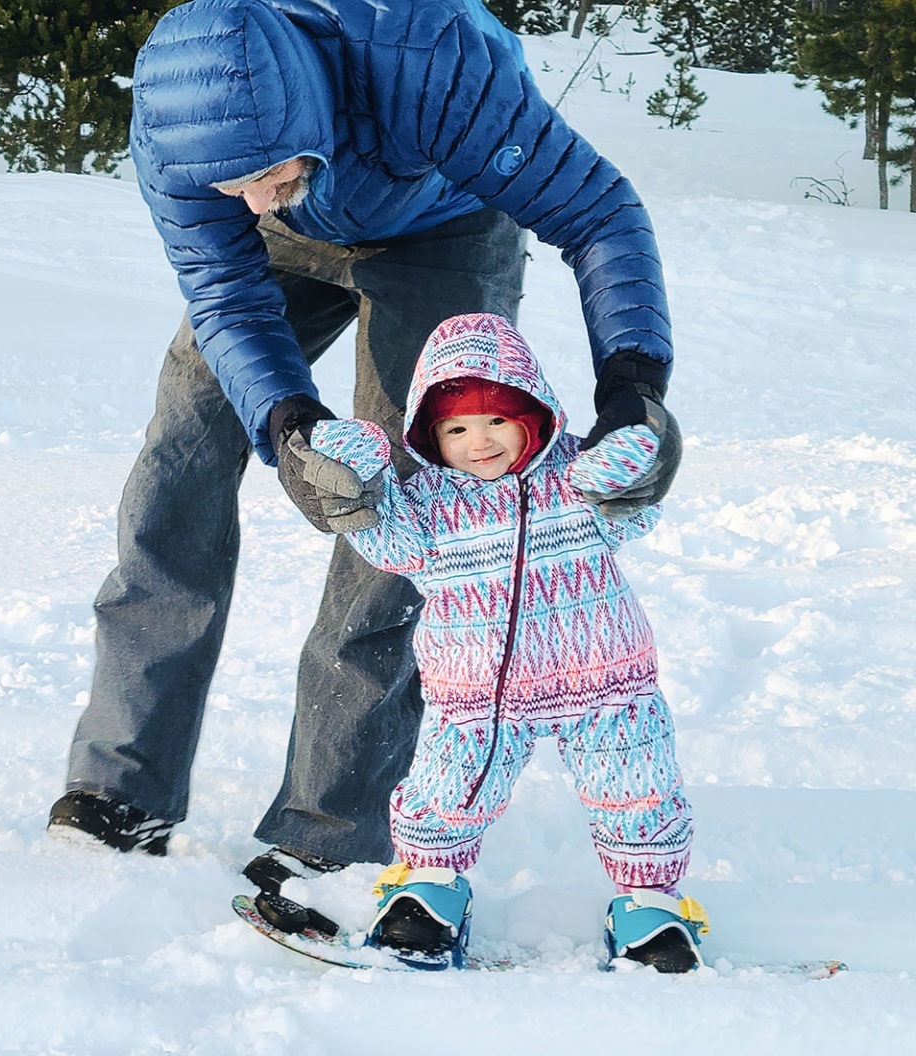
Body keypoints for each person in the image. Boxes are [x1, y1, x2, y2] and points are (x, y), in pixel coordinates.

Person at [47, 0, 683, 907]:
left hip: (444, 224)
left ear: (307, 116)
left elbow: (601, 216)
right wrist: (288, 423)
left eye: (263, 173)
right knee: (179, 459)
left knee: (412, 503)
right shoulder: (180, 124)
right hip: (285, 246)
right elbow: (225, 288)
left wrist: (632, 386)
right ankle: (123, 783)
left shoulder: (435, 63)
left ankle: (333, 823)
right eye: (230, 186)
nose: (248, 199)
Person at [306, 312, 706, 972]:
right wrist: (361, 484)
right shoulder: (426, 502)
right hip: (477, 692)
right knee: (447, 790)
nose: (480, 441)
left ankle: (650, 904)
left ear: (532, 412)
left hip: (603, 679)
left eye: (496, 419)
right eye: (457, 428)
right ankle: (430, 887)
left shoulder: (573, 471)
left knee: (637, 788)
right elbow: (389, 544)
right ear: (430, 434)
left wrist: (630, 463)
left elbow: (634, 515)